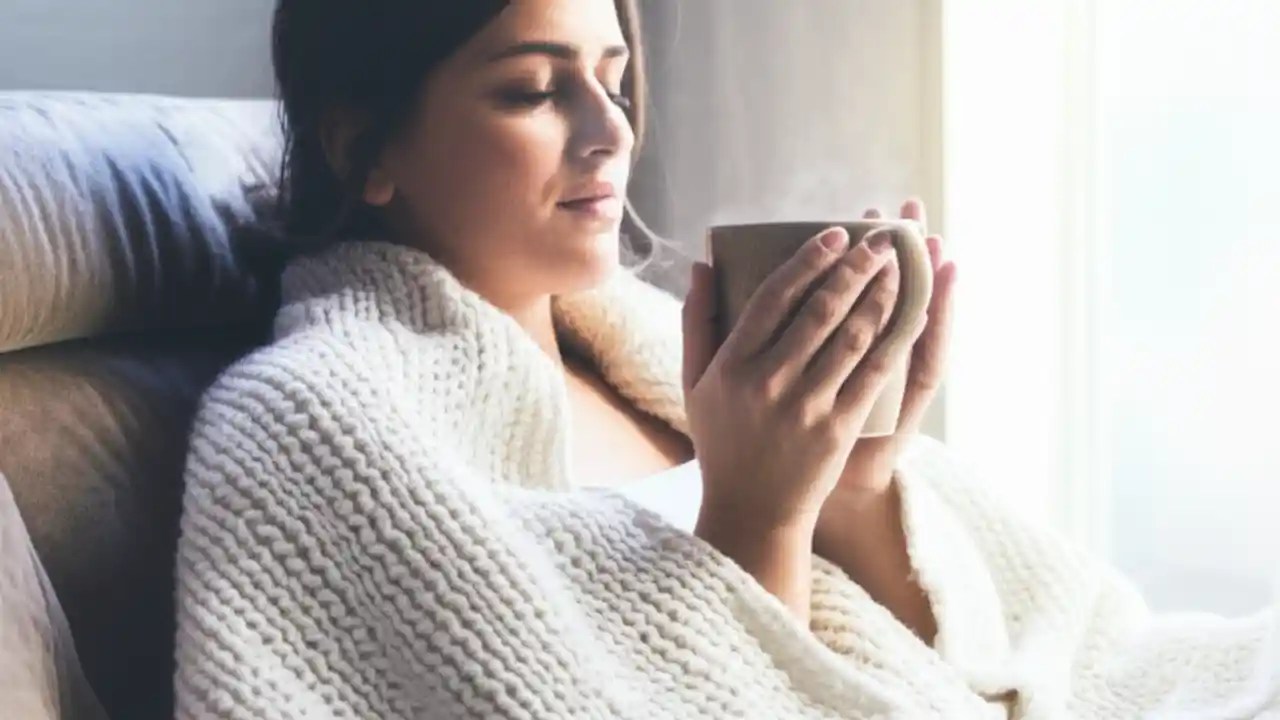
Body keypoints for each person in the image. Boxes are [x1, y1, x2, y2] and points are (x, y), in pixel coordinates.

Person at [173, 1, 1280, 717]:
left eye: (613, 77)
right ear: (359, 145)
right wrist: (758, 517)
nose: (611, 129)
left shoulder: (650, 348)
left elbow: (1031, 651)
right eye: (532, 89)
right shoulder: (311, 426)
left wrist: (855, 490)